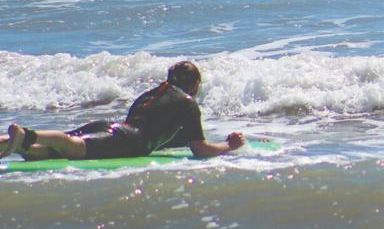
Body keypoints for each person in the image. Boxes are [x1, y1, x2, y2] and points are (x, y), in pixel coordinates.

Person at [4, 61, 245, 162]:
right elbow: (200, 149)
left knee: (49, 152)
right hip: (130, 140)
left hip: (109, 127)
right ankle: (28, 135)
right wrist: (229, 146)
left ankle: (13, 142)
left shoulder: (151, 94)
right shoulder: (187, 103)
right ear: (194, 84)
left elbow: (164, 135)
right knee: (73, 147)